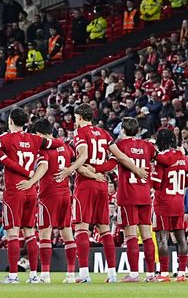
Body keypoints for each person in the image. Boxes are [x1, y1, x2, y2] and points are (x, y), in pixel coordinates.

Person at [0, 107, 61, 284]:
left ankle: (14, 276)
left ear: (10, 121)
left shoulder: (6, 138)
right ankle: (33, 275)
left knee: (13, 234)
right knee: (31, 233)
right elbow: (58, 143)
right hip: (31, 191)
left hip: (14, 191)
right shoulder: (35, 139)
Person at [56, 104, 146, 283]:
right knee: (104, 229)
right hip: (102, 185)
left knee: (81, 227)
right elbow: (119, 157)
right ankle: (112, 274)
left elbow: (82, 156)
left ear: (80, 117)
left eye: (75, 117)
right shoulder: (104, 134)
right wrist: (137, 170)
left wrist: (68, 170)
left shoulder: (80, 134)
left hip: (86, 186)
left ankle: (83, 274)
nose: (74, 121)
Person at [108, 117, 157, 282]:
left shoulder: (120, 146)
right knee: (146, 234)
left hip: (128, 195)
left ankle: (134, 274)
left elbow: (111, 162)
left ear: (122, 130)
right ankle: (151, 274)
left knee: (130, 235)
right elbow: (156, 158)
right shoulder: (148, 146)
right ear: (137, 131)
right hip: (144, 194)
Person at [28, 118, 76, 283]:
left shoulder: (44, 149)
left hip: (49, 195)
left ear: (40, 134)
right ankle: (71, 274)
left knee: (45, 234)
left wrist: (31, 181)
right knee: (67, 233)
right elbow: (75, 162)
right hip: (65, 193)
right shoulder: (66, 147)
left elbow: (44, 168)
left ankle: (45, 275)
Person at [151, 127, 188, 281]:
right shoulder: (184, 158)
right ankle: (181, 274)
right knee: (181, 238)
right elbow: (186, 181)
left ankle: (164, 274)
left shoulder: (162, 160)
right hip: (179, 202)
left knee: (162, 238)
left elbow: (156, 185)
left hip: (163, 203)